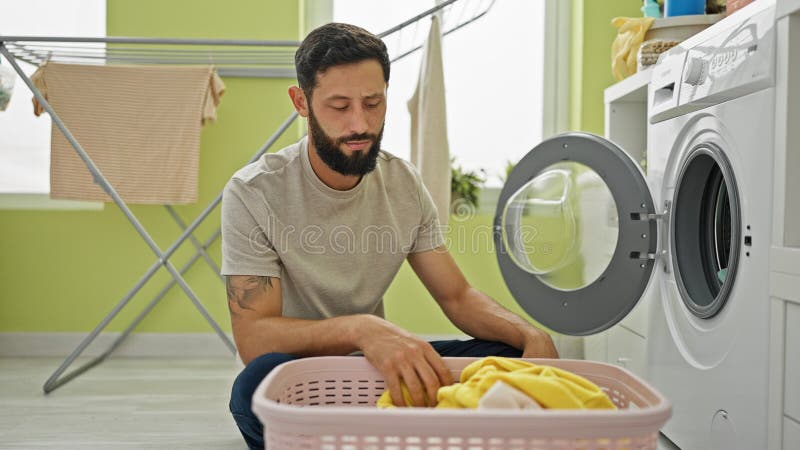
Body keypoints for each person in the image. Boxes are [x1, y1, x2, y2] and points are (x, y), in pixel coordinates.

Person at [221, 22, 558, 450]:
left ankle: (377, 433)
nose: (360, 124)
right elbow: (255, 336)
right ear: (301, 102)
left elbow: (456, 296)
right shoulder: (254, 192)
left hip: (371, 369)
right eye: (339, 106)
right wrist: (362, 329)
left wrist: (529, 334)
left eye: (373, 103)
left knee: (506, 357)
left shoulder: (403, 183)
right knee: (253, 387)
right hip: (298, 374)